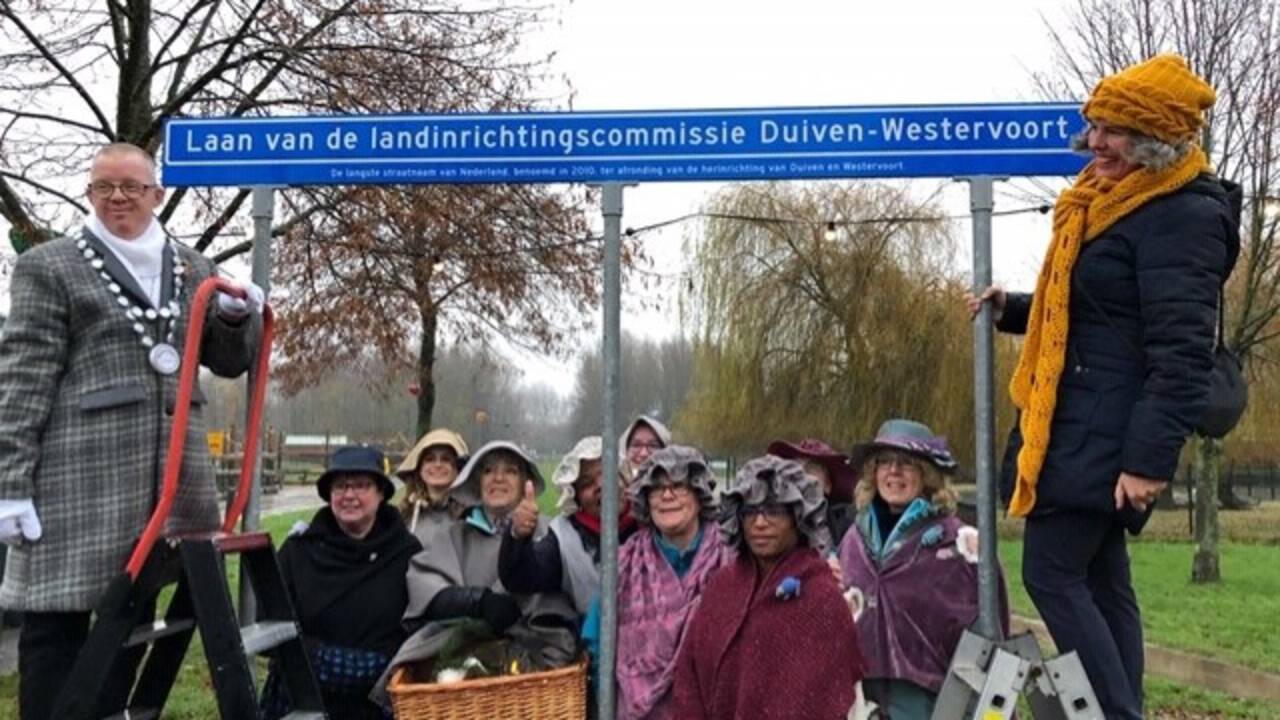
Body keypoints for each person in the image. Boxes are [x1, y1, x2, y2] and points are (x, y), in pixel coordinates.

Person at [964, 54, 1239, 720]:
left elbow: (1180, 354)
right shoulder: (1109, 201)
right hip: (1085, 420)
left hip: (1107, 434)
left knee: (1050, 575)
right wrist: (1019, 309)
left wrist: (1148, 462)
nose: (1097, 143)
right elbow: (1096, 309)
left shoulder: (1182, 215)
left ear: (1158, 135)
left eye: (1115, 130)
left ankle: (1116, 715)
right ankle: (1126, 709)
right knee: (1103, 581)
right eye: (1095, 126)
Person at [0, 142, 263, 720]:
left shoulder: (197, 268)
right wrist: (11, 483)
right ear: (90, 193)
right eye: (104, 187)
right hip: (78, 479)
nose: (118, 198)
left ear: (157, 195)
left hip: (170, 486)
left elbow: (228, 360)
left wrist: (239, 318)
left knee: (131, 621)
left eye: (132, 187)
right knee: (57, 623)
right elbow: (23, 379)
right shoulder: (51, 266)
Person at [373, 441, 578, 708]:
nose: (499, 478)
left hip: (535, 677)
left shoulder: (552, 533)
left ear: (526, 482)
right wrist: (477, 601)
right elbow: (426, 587)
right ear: (477, 482)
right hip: (459, 679)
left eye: (511, 471)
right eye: (488, 470)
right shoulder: (455, 535)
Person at [674, 455, 864, 719]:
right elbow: (689, 672)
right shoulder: (723, 586)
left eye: (774, 510)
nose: (760, 523)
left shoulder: (822, 598)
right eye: (750, 511)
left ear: (799, 516)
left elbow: (823, 702)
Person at [837, 419, 1001, 719]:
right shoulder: (854, 539)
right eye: (884, 462)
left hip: (933, 700)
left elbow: (991, 628)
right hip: (862, 697)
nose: (894, 471)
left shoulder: (960, 543)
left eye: (907, 463)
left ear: (927, 474)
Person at [261, 444, 421, 719]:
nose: (349, 495)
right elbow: (265, 621)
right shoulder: (299, 550)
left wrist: (375, 666)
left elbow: (418, 629)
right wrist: (318, 659)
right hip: (304, 695)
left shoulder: (406, 553)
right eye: (340, 487)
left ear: (380, 493)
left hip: (377, 699)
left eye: (360, 485)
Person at [582, 444, 733, 720]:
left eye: (679, 485)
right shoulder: (623, 563)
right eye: (656, 488)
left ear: (699, 494)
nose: (667, 495)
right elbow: (598, 647)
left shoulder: (732, 559)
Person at [499, 435, 639, 615]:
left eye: (607, 474)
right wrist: (517, 536)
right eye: (587, 483)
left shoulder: (652, 522)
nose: (601, 485)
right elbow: (521, 579)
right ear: (577, 498)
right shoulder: (563, 538)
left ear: (625, 479)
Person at [766, 437, 858, 544]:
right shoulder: (763, 520)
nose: (801, 475)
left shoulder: (848, 531)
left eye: (811, 469)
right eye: (793, 467)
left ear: (828, 485)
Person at [395, 427, 469, 542]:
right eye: (430, 459)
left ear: (458, 469)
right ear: (419, 469)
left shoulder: (471, 516)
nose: (438, 465)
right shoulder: (403, 516)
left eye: (446, 459)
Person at [619, 415, 671, 484]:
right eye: (636, 445)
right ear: (626, 450)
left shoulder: (677, 492)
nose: (644, 454)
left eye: (653, 445)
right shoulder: (611, 489)